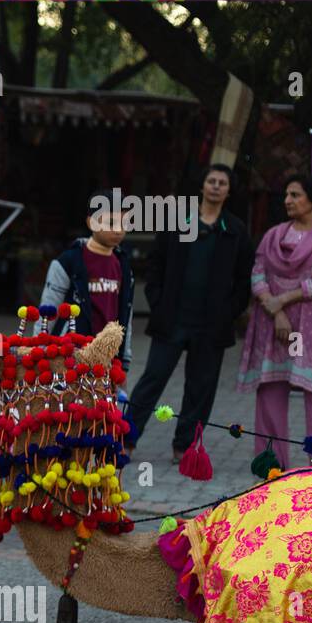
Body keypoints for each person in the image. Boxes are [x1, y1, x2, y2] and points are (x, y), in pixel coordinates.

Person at [126, 164, 254, 461]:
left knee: (201, 388)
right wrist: (157, 302)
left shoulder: (235, 230)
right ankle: (126, 439)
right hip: (172, 319)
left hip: (211, 326)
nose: (216, 186)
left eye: (222, 183)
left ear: (229, 191)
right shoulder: (177, 222)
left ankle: (184, 446)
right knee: (153, 379)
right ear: (202, 186)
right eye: (211, 181)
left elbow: (244, 279)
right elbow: (155, 264)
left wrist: (229, 312)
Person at [237, 173, 312, 468]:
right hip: (273, 325)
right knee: (270, 390)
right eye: (286, 194)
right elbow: (258, 273)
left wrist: (283, 299)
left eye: (295, 195)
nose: (287, 200)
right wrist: (277, 312)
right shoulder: (274, 235)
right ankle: (270, 465)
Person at [41, 189, 134, 373]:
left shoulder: (123, 266)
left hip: (108, 361)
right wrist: (39, 354)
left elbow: (126, 315)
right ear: (91, 222)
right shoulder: (68, 263)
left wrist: (124, 361)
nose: (118, 230)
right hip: (69, 358)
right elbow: (47, 313)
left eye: (124, 223)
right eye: (111, 223)